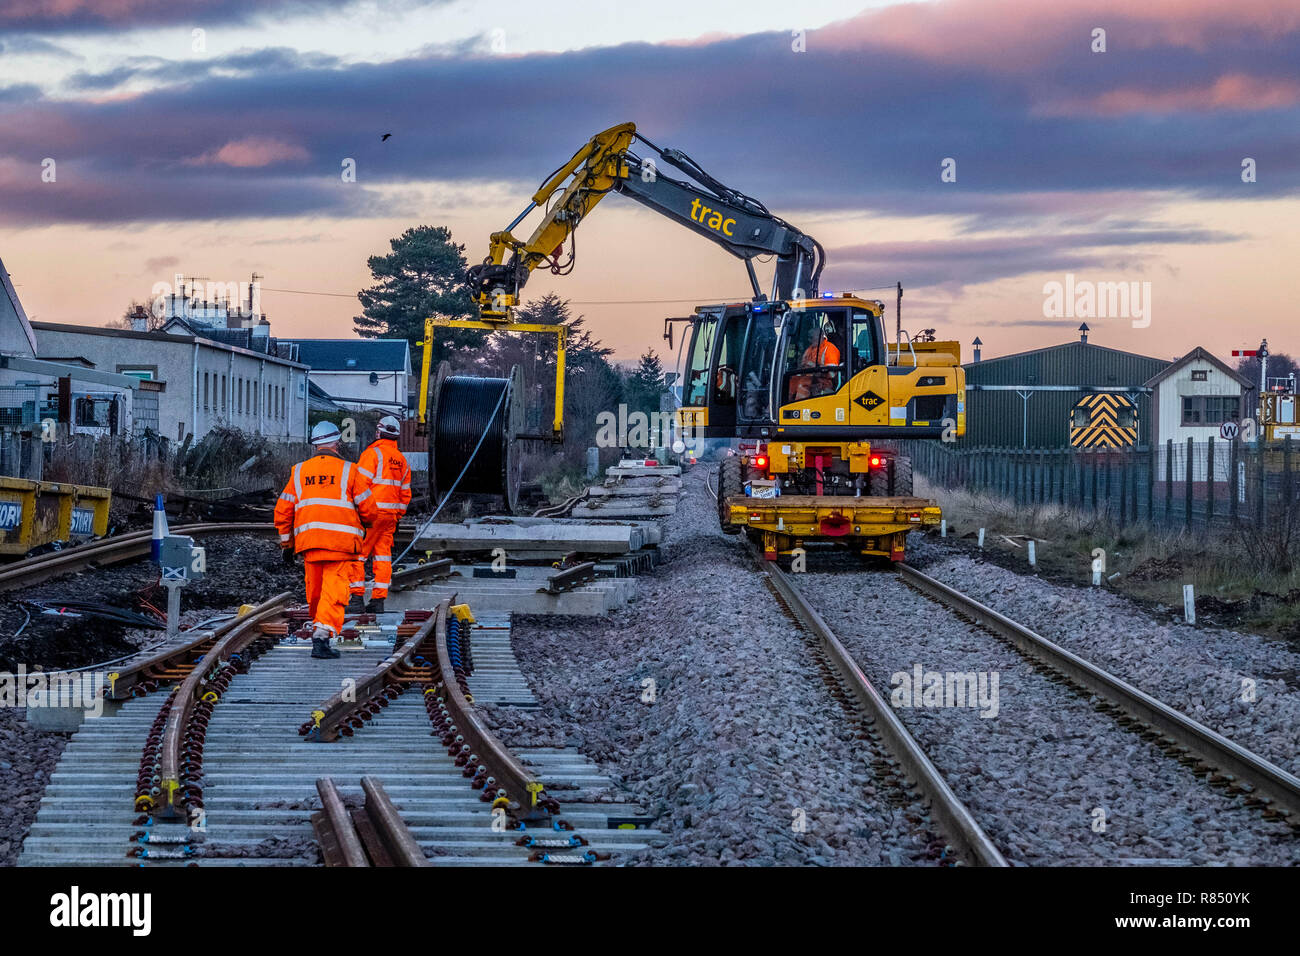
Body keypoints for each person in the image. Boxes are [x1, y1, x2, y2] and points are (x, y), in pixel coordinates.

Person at [274, 421, 379, 659]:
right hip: (340, 546)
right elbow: (369, 510)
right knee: (334, 592)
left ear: (314, 445)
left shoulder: (298, 471)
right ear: (336, 444)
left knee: (316, 593)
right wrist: (365, 524)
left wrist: (286, 544)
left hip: (310, 544)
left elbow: (283, 511)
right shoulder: (350, 471)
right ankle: (321, 636)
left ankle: (319, 626)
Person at [348, 415, 412, 614]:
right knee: (383, 558)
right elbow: (405, 493)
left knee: (357, 556)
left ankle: (357, 598)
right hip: (390, 517)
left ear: (378, 432)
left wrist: (356, 510)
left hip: (371, 515)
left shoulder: (372, 454)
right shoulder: (402, 461)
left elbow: (359, 485)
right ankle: (378, 601)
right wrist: (398, 515)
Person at [789, 315, 843, 401]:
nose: (809, 340)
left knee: (802, 384)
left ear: (821, 336)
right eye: (808, 337)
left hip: (824, 382)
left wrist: (815, 368)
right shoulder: (809, 349)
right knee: (790, 382)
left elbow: (832, 373)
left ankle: (798, 410)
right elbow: (801, 366)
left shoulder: (830, 349)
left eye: (811, 337)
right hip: (809, 377)